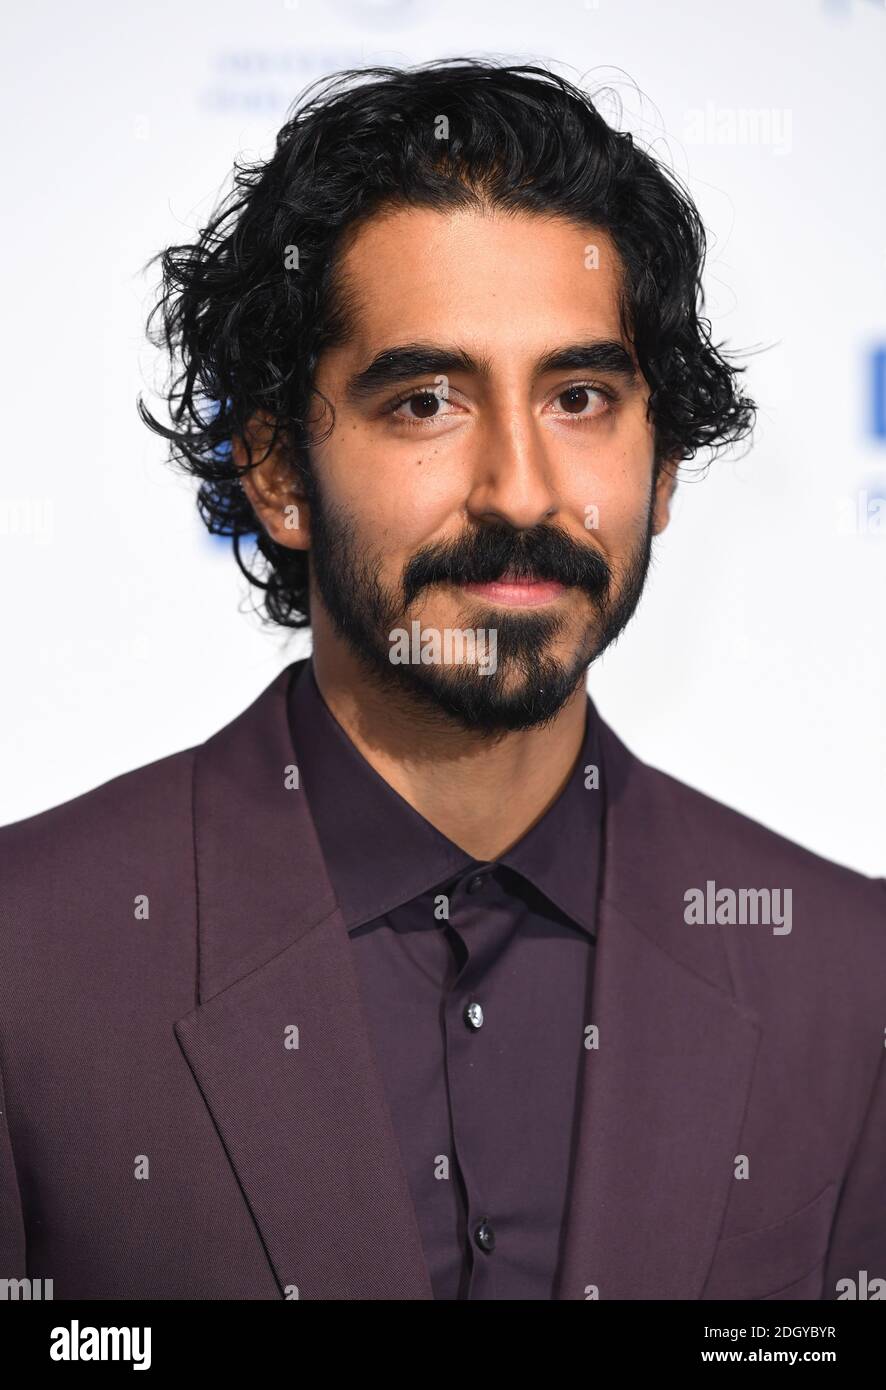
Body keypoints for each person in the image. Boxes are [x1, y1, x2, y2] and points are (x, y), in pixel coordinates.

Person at [1, 59, 883, 1302]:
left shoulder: (848, 978)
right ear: (276, 471)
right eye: (426, 401)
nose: (520, 490)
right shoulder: (29, 957)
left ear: (665, 464)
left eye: (580, 397)